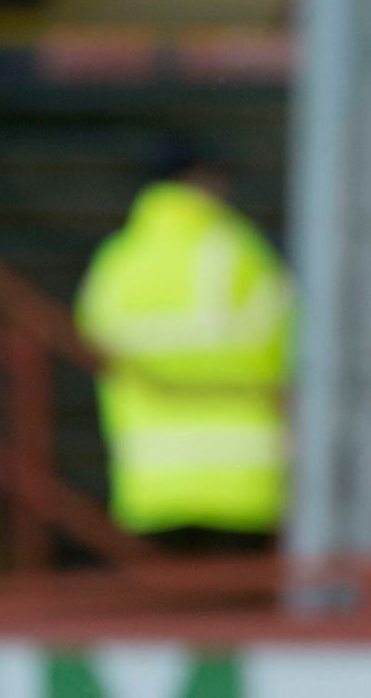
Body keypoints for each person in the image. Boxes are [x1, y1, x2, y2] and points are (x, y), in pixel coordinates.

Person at [75, 147, 292, 547]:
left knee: (168, 605)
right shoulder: (236, 252)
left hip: (150, 482)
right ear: (202, 180)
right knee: (239, 603)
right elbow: (290, 342)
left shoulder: (118, 259)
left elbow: (93, 344)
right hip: (243, 482)